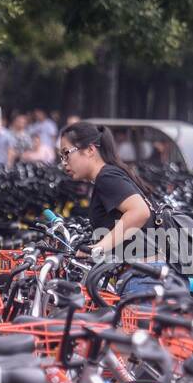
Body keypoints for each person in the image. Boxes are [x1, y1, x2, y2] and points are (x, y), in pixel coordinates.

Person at [58, 121, 154, 289]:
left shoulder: (106, 176)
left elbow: (140, 211)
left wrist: (99, 247)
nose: (64, 162)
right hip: (141, 272)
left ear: (90, 150)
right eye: (61, 156)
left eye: (67, 153)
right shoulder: (109, 174)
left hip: (143, 276)